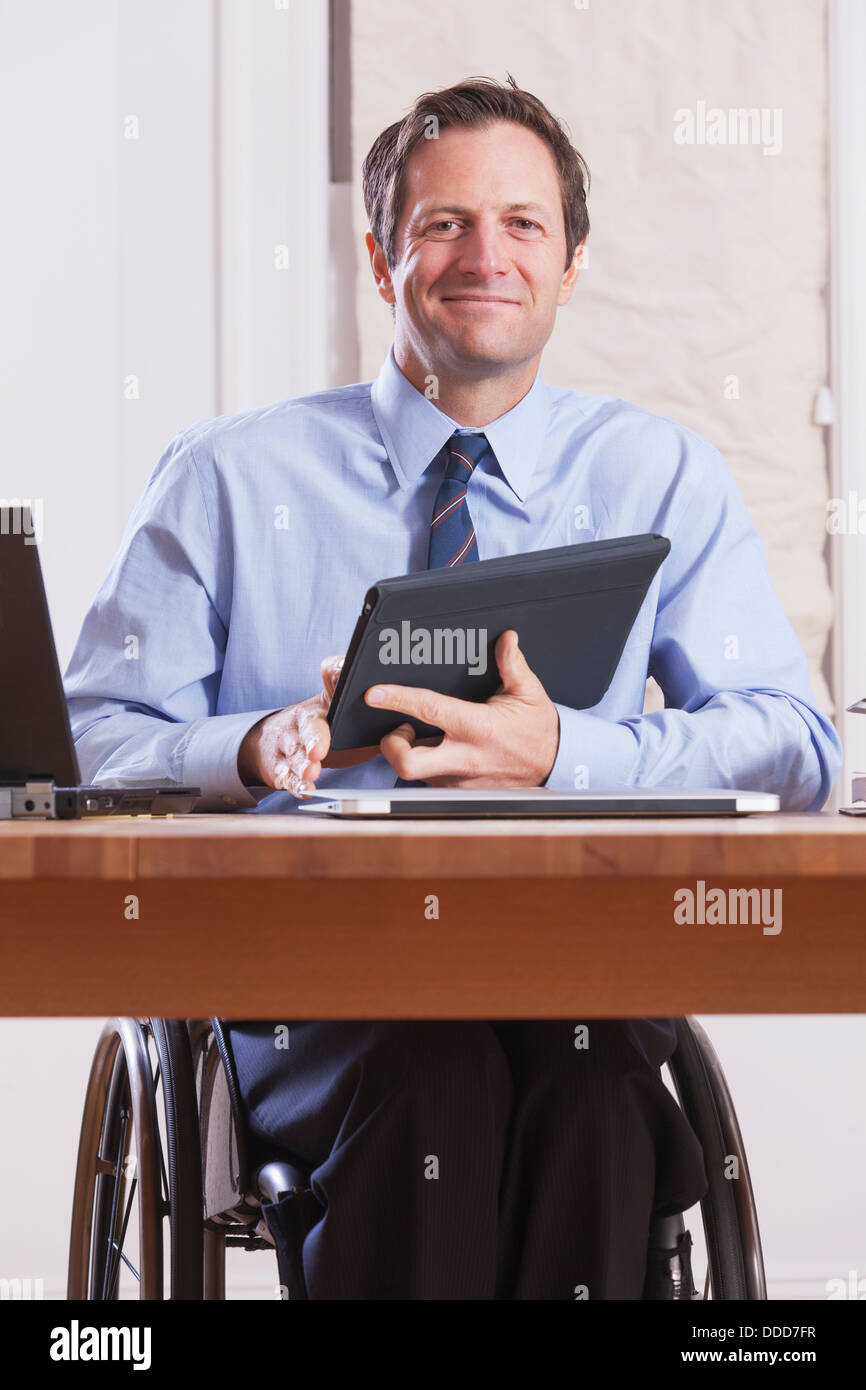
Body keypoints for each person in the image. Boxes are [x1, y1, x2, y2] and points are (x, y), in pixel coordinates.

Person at [64, 74, 842, 1299]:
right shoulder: (224, 475)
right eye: (442, 224)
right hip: (304, 995)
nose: (485, 254)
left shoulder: (657, 475)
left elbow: (794, 746)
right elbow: (86, 743)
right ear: (382, 259)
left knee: (596, 1100)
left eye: (522, 224)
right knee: (435, 1083)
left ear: (570, 262)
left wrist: (564, 754)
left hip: (572, 974)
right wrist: (251, 741)